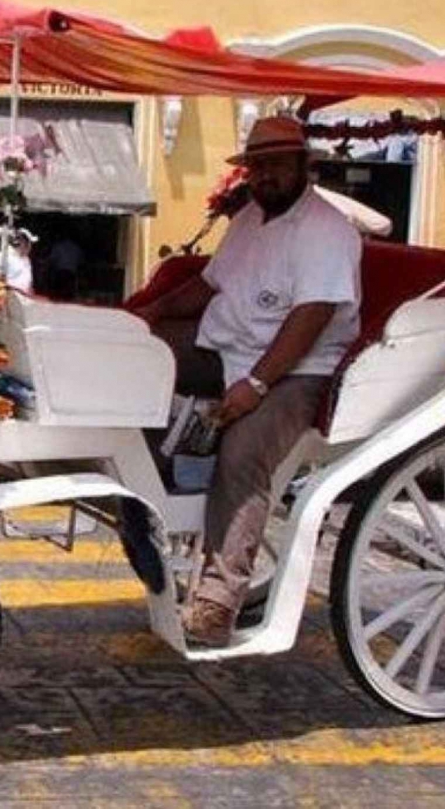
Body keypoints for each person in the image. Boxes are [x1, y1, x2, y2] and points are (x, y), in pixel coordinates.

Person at [130, 116, 362, 647]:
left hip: (297, 371)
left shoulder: (325, 231)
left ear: (306, 166)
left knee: (243, 454)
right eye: (258, 165)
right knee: (132, 365)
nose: (266, 175)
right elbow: (209, 287)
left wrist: (256, 385)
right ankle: (142, 492)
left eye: (278, 163)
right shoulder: (248, 220)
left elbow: (312, 316)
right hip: (225, 348)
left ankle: (216, 603)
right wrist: (151, 314)